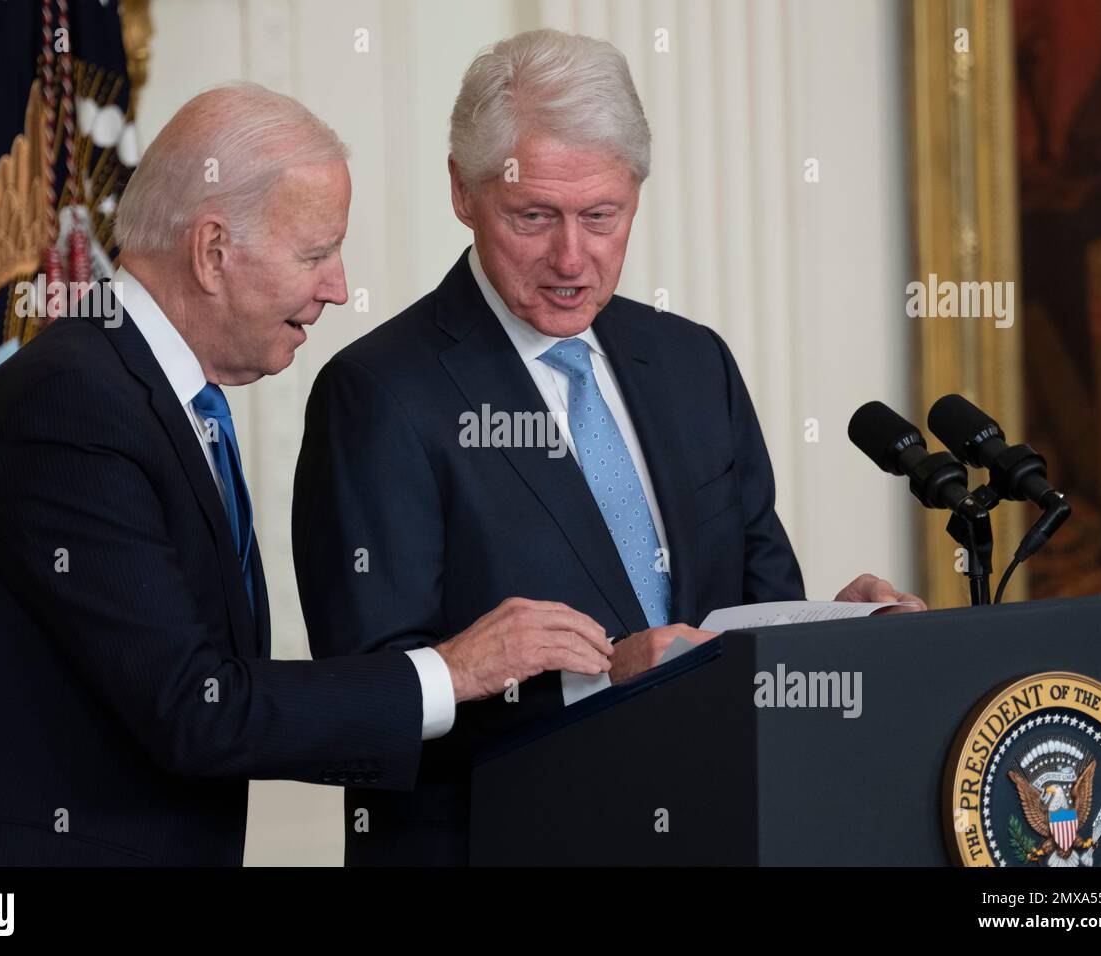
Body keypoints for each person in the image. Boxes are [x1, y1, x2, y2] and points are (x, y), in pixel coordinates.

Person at [0, 83, 612, 866]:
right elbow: (196, 708)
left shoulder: (156, 399)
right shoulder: (69, 407)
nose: (335, 286)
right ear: (213, 251)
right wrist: (454, 670)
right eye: (317, 253)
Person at [292, 30, 924, 866]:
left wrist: (836, 637)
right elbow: (368, 701)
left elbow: (753, 623)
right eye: (534, 217)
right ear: (462, 190)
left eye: (602, 216)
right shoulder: (378, 393)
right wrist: (598, 678)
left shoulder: (695, 364)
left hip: (722, 834)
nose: (572, 257)